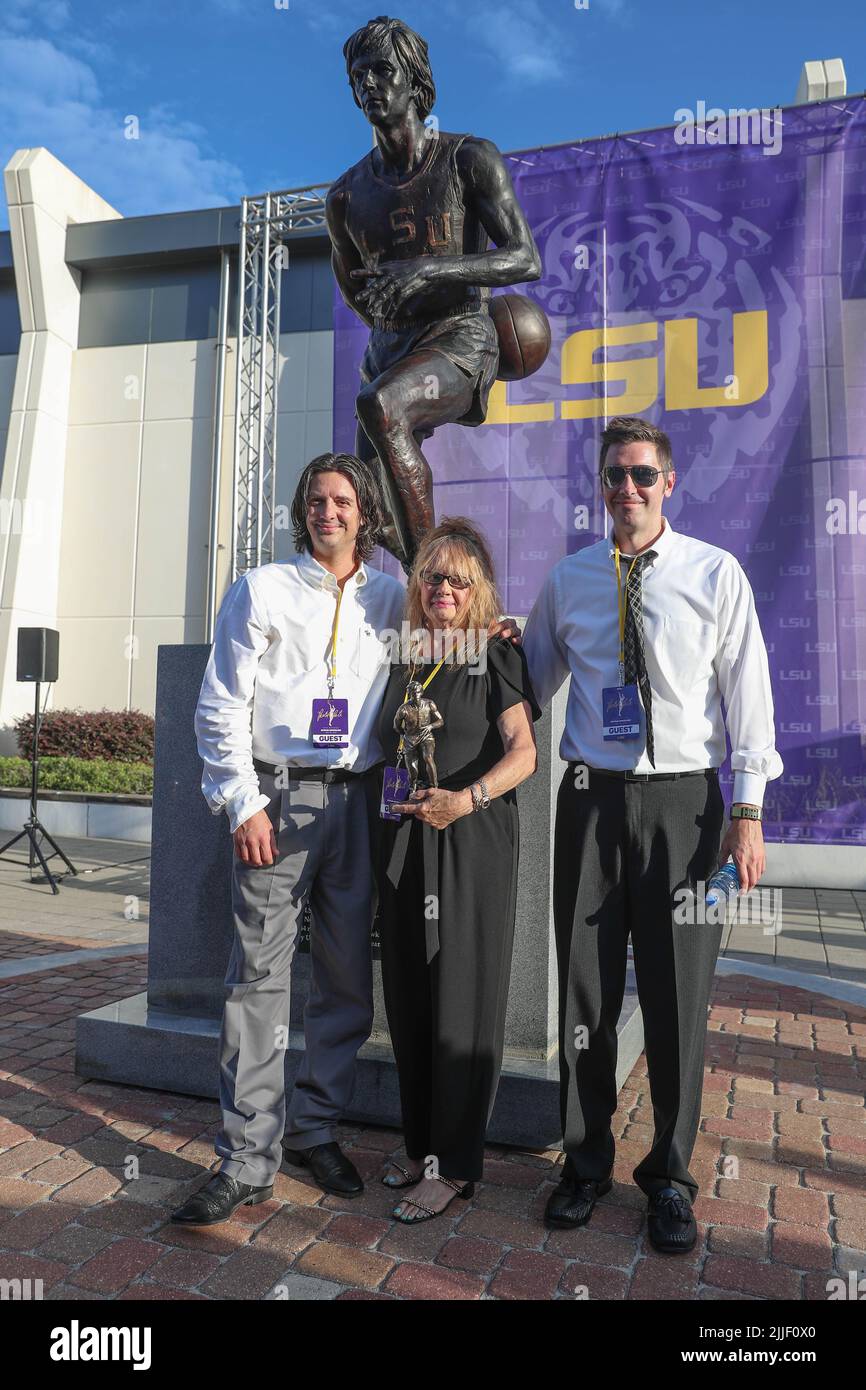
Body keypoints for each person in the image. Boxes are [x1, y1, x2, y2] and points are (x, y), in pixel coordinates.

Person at [522, 415, 783, 1254]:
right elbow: (526, 683)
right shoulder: (567, 582)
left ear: (670, 483)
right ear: (599, 488)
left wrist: (747, 810)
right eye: (612, 477)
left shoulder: (715, 574)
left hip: (688, 813)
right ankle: (585, 1164)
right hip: (592, 805)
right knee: (586, 995)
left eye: (641, 475)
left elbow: (749, 695)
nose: (625, 490)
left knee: (678, 1001)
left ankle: (670, 1177)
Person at [171, 453, 406, 1225]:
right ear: (301, 509)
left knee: (344, 982)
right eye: (315, 499)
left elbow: (453, 638)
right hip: (279, 800)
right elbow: (220, 705)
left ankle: (313, 1128)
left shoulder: (395, 594)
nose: (327, 512)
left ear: (365, 512)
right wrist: (241, 804)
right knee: (258, 982)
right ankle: (247, 1157)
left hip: (360, 803)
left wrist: (495, 627)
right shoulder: (261, 589)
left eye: (342, 501)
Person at [327, 15, 542, 570]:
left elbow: (524, 257)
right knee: (364, 506)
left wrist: (429, 271)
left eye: (381, 71)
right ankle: (444, 578)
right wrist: (380, 304)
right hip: (389, 349)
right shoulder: (345, 196)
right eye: (358, 77)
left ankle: (430, 580)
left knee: (382, 406)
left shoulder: (468, 158)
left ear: (415, 80)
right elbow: (352, 284)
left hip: (459, 335)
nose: (368, 84)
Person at [375, 518, 540, 1223]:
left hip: (470, 842)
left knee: (462, 1000)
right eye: (432, 576)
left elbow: (525, 753)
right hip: (410, 842)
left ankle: (455, 1168)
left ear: (479, 592)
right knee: (411, 994)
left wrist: (465, 800)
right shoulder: (406, 656)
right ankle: (421, 1148)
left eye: (457, 579)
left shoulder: (494, 655)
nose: (443, 588)